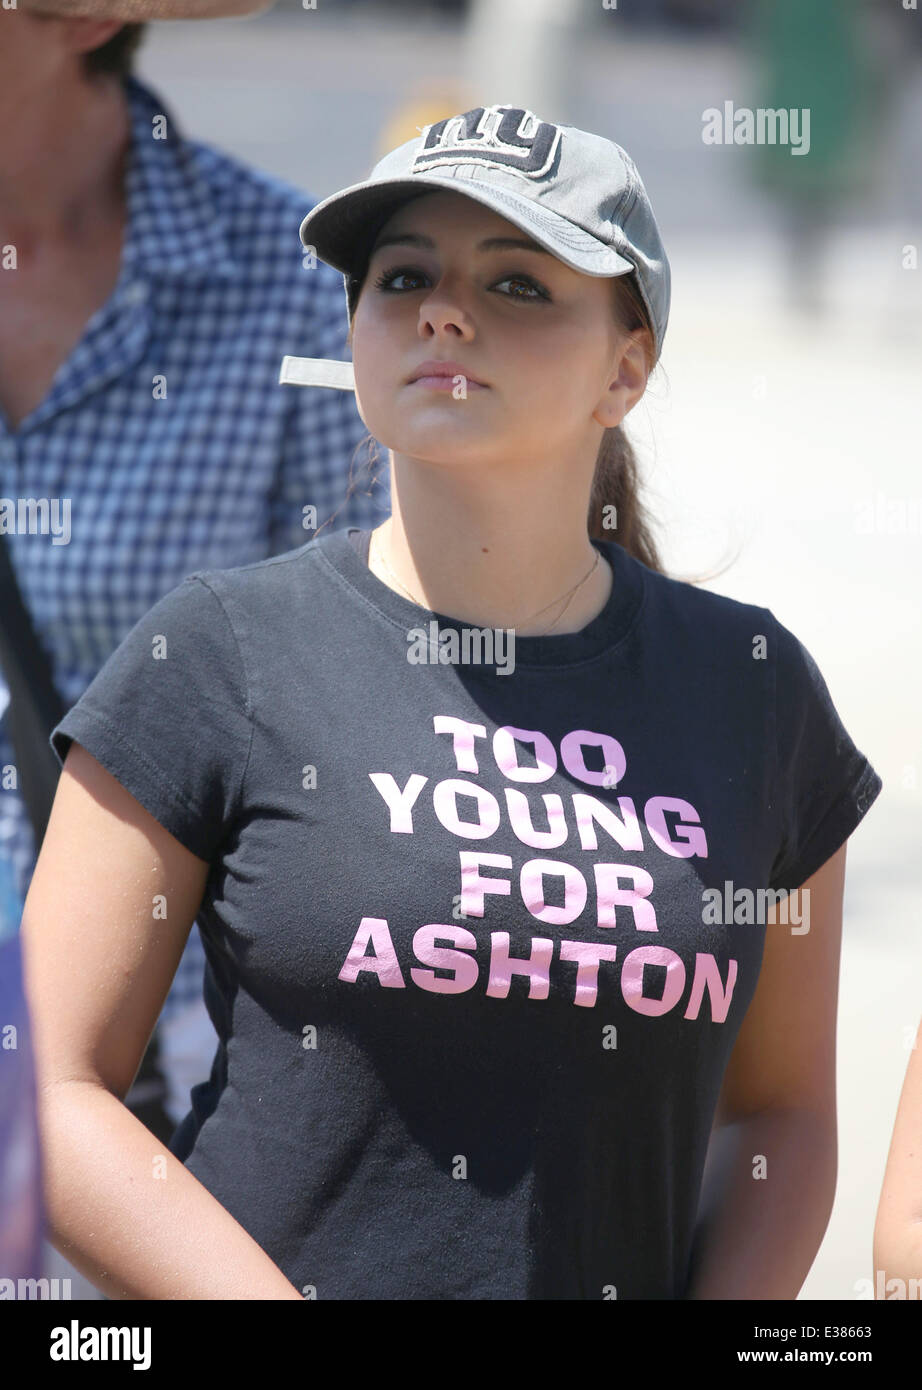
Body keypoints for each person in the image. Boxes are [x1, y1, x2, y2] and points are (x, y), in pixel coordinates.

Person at [21, 105, 882, 1300]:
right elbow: (48, 1087)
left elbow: (777, 1116)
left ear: (624, 366)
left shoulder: (754, 690)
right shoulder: (216, 651)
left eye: (517, 283)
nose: (440, 308)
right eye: (403, 275)